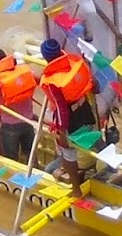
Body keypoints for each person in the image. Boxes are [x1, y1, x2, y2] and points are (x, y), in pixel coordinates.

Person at [39, 38, 96, 189]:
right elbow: (92, 83)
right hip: (85, 110)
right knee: (91, 140)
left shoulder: (51, 82)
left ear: (45, 57)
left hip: (70, 120)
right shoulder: (76, 63)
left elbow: (61, 108)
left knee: (67, 152)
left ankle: (76, 189)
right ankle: (94, 169)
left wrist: (62, 132)